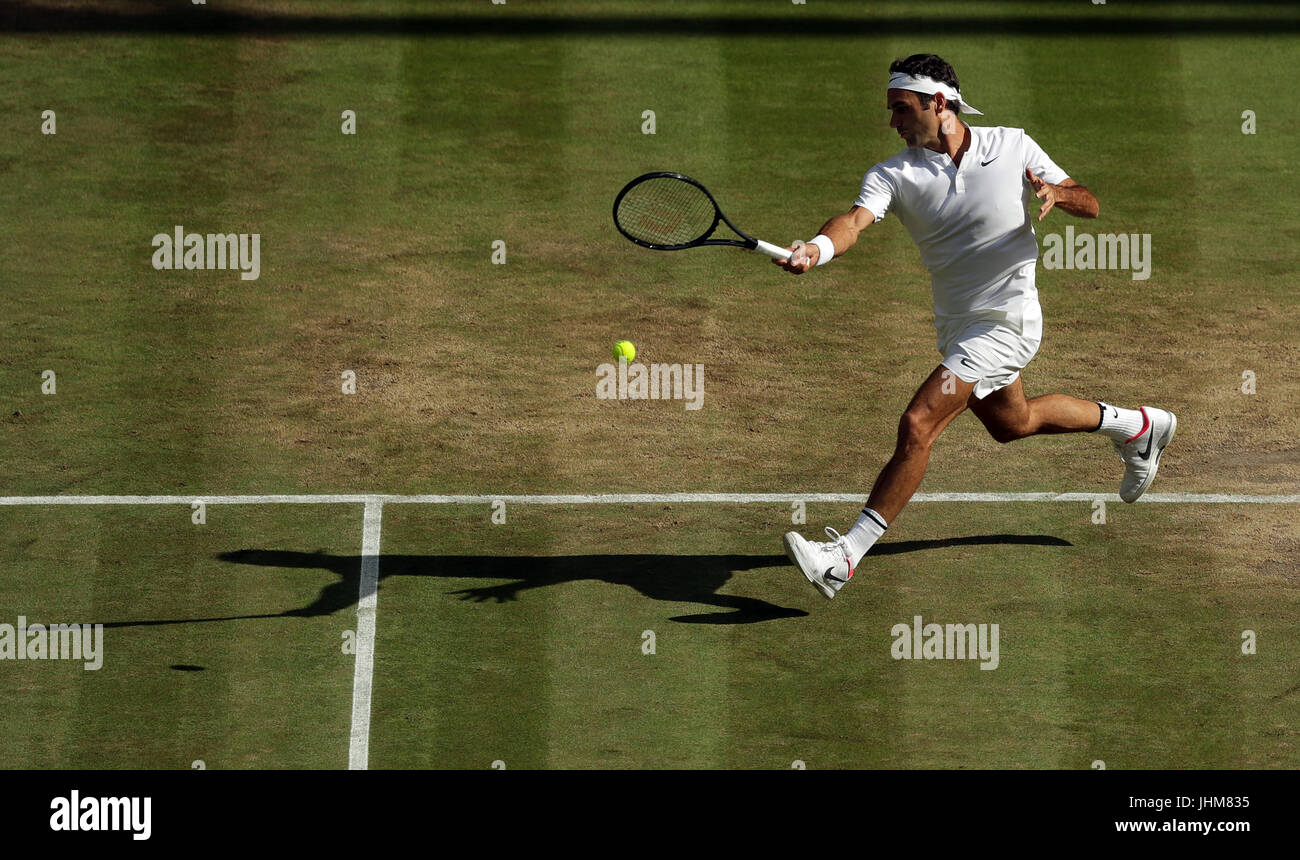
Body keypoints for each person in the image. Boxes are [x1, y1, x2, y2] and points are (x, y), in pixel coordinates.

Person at [778, 54, 1176, 600]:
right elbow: (852, 222)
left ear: (938, 104)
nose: (893, 122)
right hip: (959, 329)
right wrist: (817, 249)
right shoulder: (893, 175)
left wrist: (1059, 194)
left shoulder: (1013, 146)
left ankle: (844, 557)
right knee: (1014, 422)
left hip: (1008, 323)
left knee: (918, 423)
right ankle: (1137, 426)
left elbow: (1091, 202)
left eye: (901, 109)